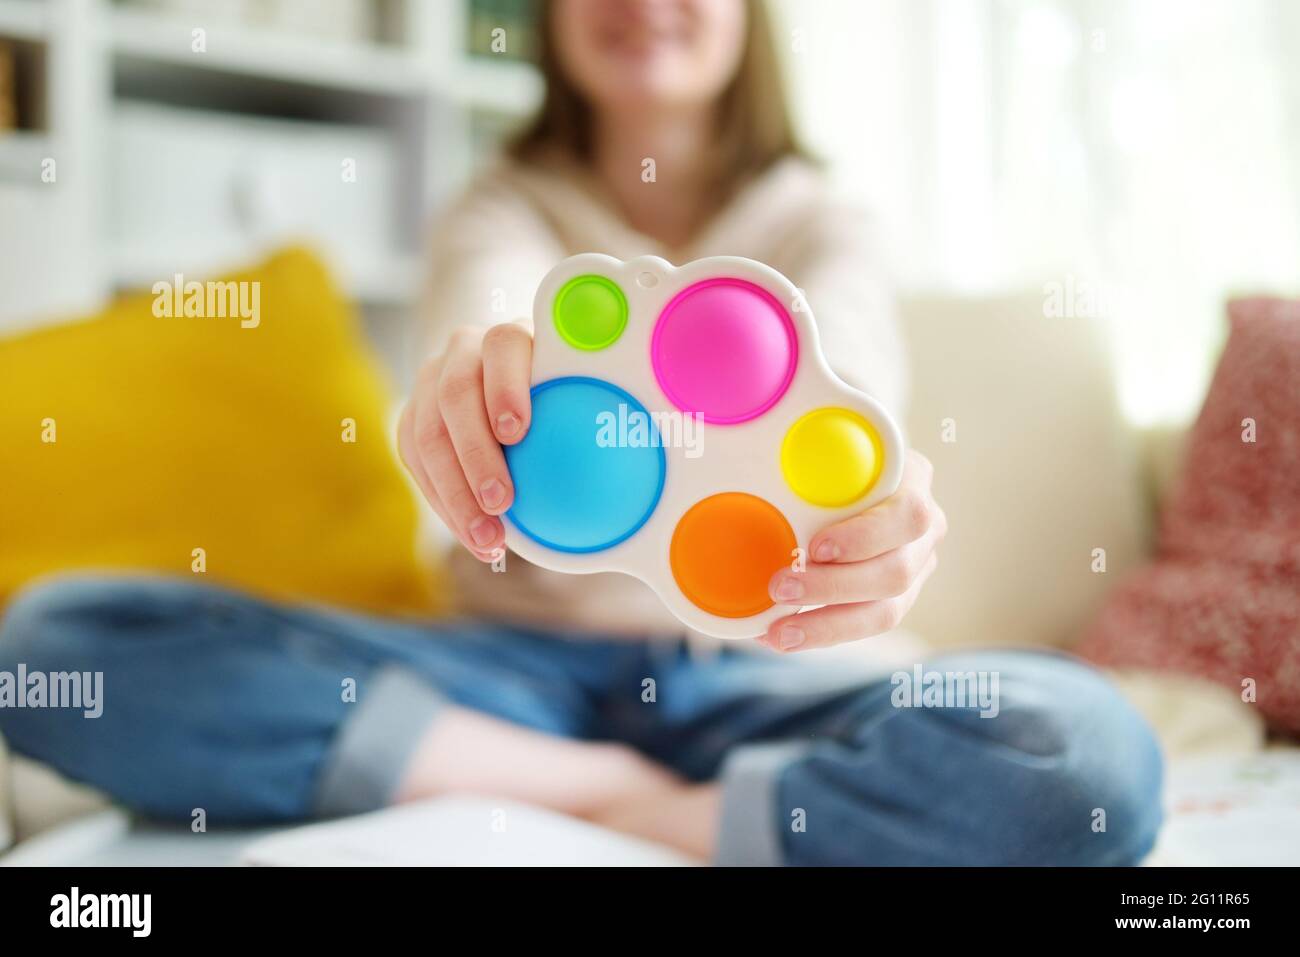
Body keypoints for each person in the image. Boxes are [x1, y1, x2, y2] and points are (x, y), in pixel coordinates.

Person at [0, 0, 1162, 865]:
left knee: (1083, 752)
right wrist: (466, 383)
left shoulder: (827, 220)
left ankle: (625, 810)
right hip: (511, 673)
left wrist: (883, 509)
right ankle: (596, 790)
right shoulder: (499, 201)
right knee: (53, 645)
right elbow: (489, 318)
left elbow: (850, 390)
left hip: (765, 672)